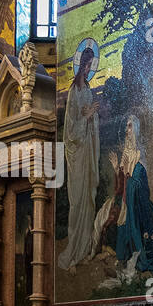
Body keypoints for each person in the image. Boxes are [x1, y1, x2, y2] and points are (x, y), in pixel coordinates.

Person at [59, 45, 100, 269]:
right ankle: (73, 250)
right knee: (77, 201)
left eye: (92, 65)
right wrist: (87, 117)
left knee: (89, 196)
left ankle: (84, 247)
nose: (89, 68)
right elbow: (70, 129)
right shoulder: (75, 90)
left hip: (88, 147)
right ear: (82, 64)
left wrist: (92, 116)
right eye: (87, 64)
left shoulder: (88, 88)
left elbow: (87, 117)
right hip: (78, 150)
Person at [114, 116, 153, 278]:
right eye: (126, 127)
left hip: (138, 192)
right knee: (128, 222)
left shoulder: (139, 150)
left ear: (134, 128)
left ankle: (147, 260)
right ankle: (132, 258)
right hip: (129, 192)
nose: (126, 130)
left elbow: (138, 173)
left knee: (142, 223)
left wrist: (130, 171)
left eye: (129, 127)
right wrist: (119, 168)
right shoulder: (127, 151)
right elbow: (124, 174)